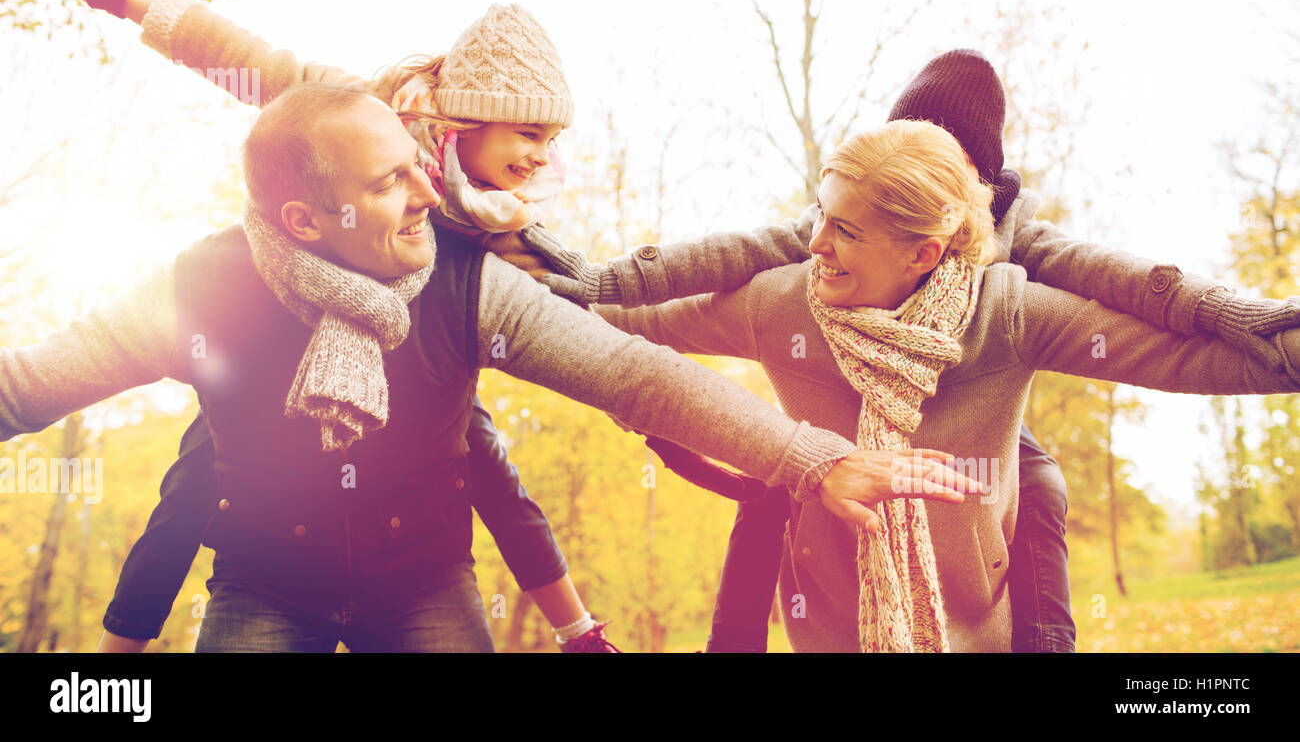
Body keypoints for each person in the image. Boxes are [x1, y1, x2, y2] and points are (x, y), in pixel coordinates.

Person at [0, 80, 986, 651]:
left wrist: (808, 456)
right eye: (388, 182)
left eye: (415, 164)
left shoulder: (465, 286)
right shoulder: (196, 291)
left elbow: (634, 372)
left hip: (422, 581)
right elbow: (29, 387)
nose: (425, 194)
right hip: (264, 583)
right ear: (306, 220)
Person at [12, 0, 761, 649]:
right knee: (201, 476)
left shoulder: (504, 233)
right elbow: (242, 58)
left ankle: (575, 628)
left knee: (484, 460)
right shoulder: (358, 113)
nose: (542, 157)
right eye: (527, 134)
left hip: (420, 365)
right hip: (287, 322)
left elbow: (603, 342)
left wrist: (684, 434)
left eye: (552, 139)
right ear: (466, 121)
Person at [520, 48, 1300, 651]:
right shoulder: (780, 300)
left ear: (927, 251)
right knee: (761, 503)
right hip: (826, 630)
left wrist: (1276, 342)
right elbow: (626, 331)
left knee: (1045, 489)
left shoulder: (1009, 309)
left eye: (845, 232)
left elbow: (1174, 349)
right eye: (820, 219)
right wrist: (514, 279)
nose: (814, 244)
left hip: (977, 630)